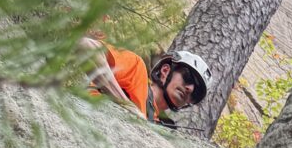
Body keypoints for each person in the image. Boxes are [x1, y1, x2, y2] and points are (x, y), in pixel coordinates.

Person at [82, 39, 211, 124]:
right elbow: (86, 46)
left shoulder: (158, 126)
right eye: (188, 78)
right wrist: (124, 103)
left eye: (196, 93)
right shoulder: (136, 71)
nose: (191, 89)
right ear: (165, 71)